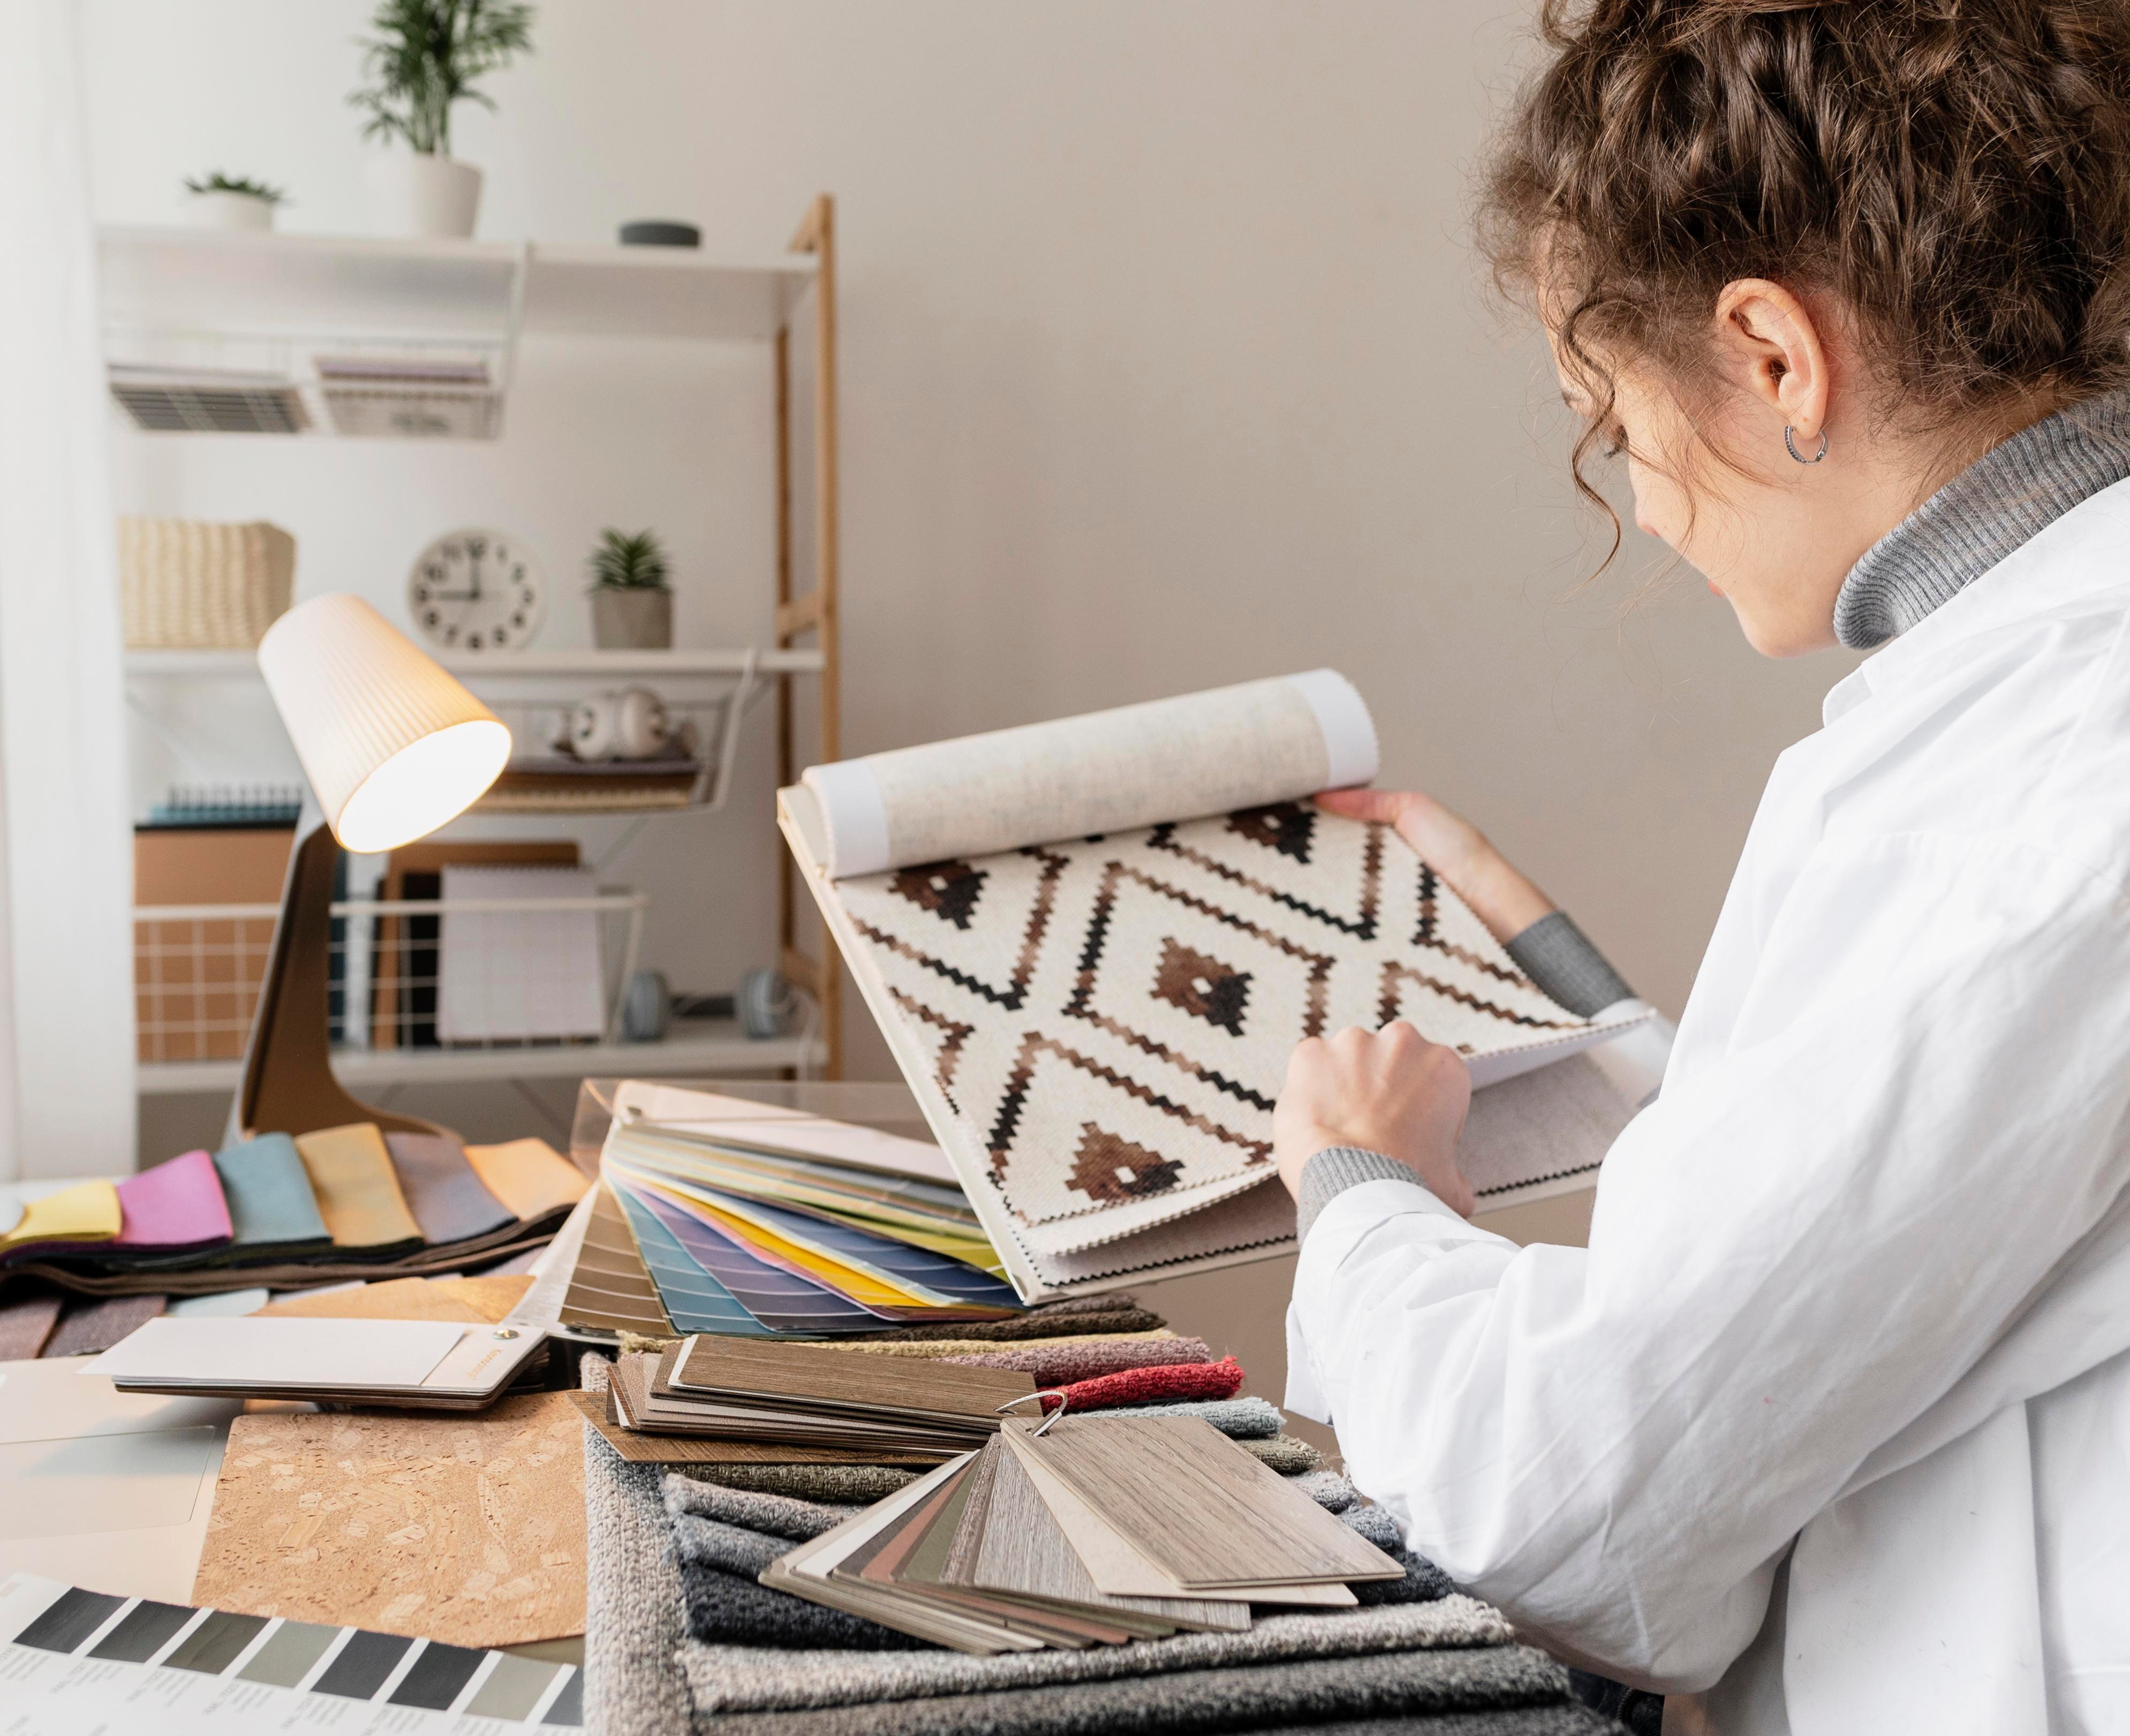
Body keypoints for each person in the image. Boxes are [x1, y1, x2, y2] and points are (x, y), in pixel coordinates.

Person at [1275, 4, 2130, 1733]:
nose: (1644, 508)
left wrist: (1364, 1196)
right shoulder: (2027, 698)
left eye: (1604, 418)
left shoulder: (2029, 766)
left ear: (1767, 354)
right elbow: (1933, 1219)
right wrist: (1567, 978)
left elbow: (1585, 1500)